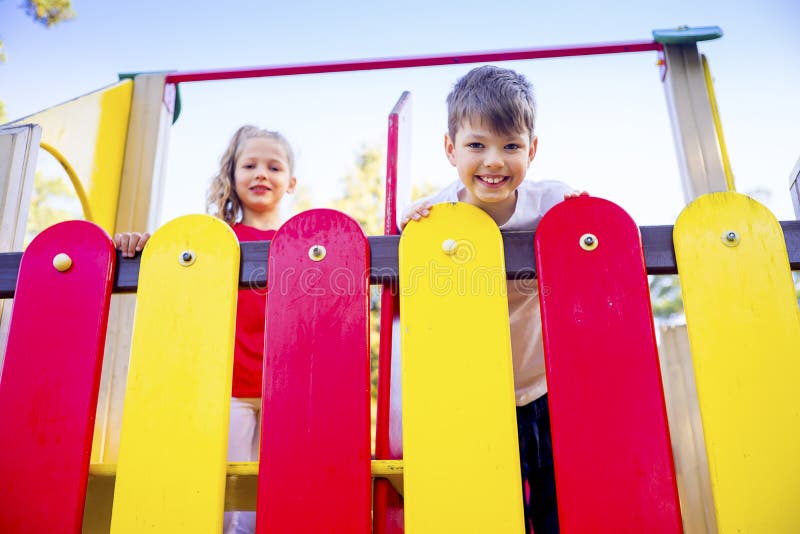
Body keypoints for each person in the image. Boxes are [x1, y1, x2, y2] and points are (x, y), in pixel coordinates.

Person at [400, 65, 583, 534]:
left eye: (511, 146)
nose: (494, 161)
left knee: (554, 487)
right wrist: (410, 225)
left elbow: (587, 232)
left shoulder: (550, 203)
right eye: (477, 145)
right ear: (450, 149)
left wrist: (581, 214)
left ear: (532, 149)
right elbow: (411, 262)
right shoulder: (438, 214)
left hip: (542, 376)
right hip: (475, 383)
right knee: (489, 490)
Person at [115, 125, 298, 534]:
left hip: (283, 387)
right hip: (227, 385)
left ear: (291, 182)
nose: (261, 174)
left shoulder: (303, 241)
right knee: (225, 493)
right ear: (232, 175)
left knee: (272, 494)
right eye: (249, 165)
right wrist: (145, 245)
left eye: (274, 166)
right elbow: (175, 259)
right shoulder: (215, 237)